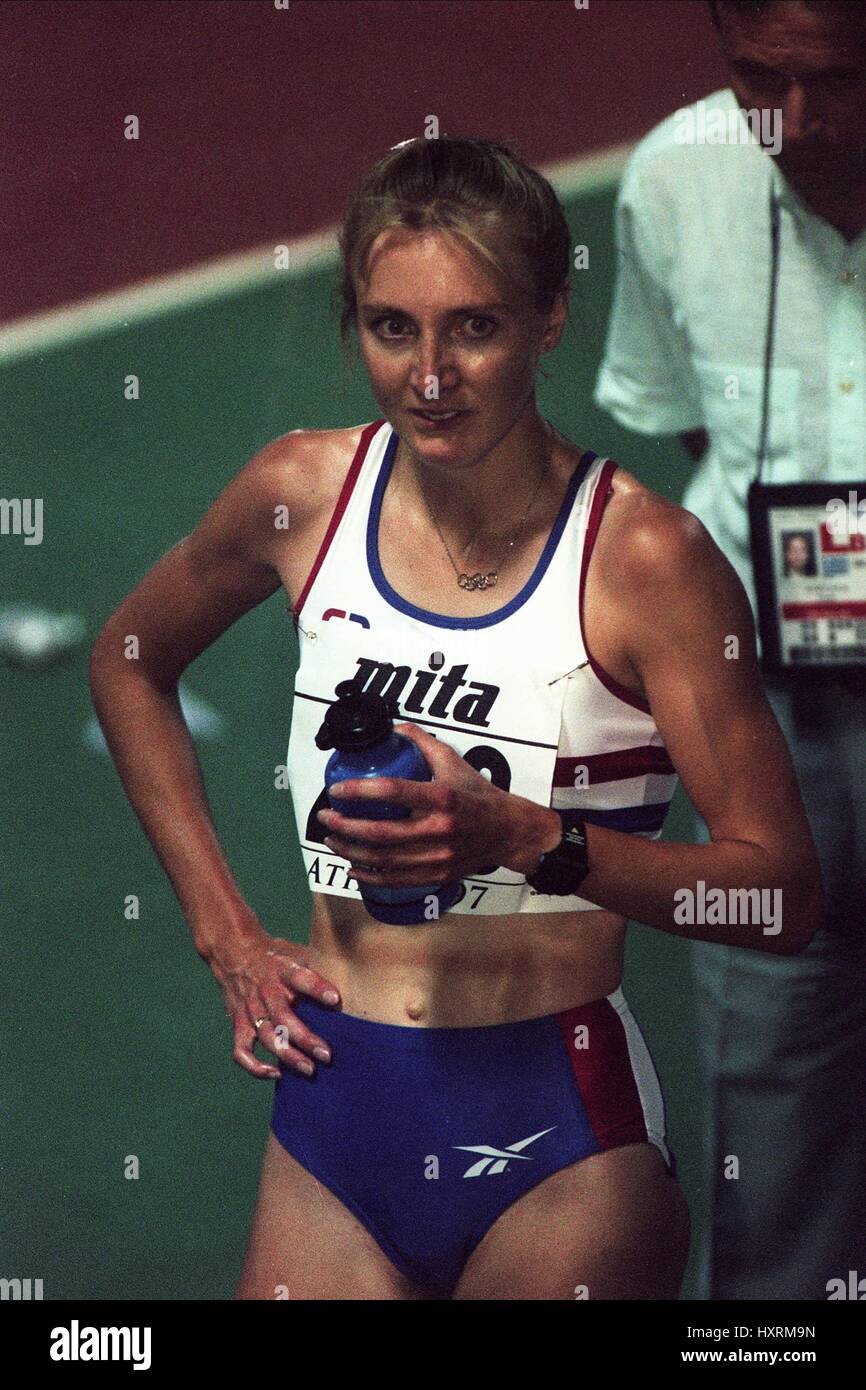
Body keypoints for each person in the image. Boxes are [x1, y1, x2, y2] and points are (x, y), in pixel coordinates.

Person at [89, 134, 821, 1302]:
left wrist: (532, 840)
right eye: (391, 327)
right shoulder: (300, 493)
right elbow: (128, 660)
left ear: (547, 319)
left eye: (472, 326)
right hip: (334, 1114)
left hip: (559, 1130)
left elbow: (778, 897)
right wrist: (224, 932)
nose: (429, 376)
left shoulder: (644, 561)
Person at [594, 0, 866, 1300]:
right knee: (769, 1085)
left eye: (835, 83)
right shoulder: (677, 178)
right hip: (762, 717)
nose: (795, 125)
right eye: (760, 80)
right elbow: (698, 434)